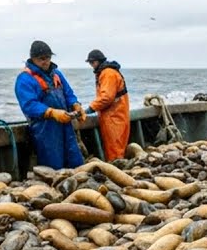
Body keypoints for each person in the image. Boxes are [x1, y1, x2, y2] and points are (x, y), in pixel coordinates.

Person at [15, 40, 85, 169]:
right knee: (53, 166)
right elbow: (29, 105)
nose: (46, 61)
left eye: (48, 57)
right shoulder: (24, 79)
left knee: (76, 162)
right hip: (44, 129)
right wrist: (51, 112)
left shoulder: (57, 74)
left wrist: (75, 104)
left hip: (65, 124)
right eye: (41, 58)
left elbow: (68, 93)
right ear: (32, 59)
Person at [85, 49, 131, 161]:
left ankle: (117, 168)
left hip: (114, 117)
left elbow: (106, 98)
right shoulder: (109, 72)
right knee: (117, 146)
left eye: (92, 63)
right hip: (118, 114)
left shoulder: (107, 73)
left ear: (97, 61)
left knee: (114, 148)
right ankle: (118, 167)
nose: (91, 66)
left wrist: (90, 109)